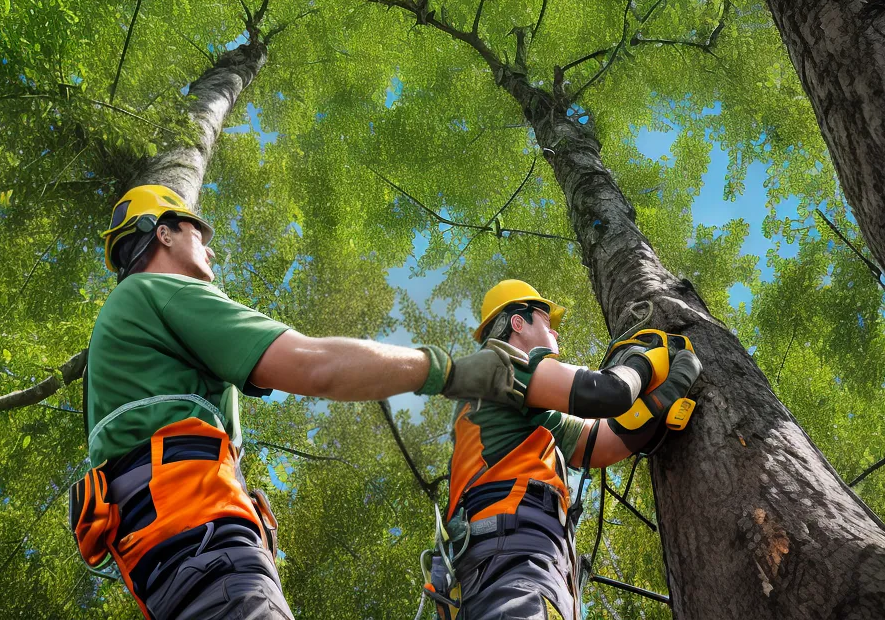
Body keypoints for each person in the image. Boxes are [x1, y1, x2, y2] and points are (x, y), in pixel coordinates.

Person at [69, 185, 525, 620]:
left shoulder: (125, 331)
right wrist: (452, 372)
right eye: (197, 233)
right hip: (202, 545)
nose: (211, 249)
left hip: (173, 554)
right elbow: (315, 365)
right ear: (164, 233)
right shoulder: (155, 293)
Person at [429, 279, 702, 620]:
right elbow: (609, 392)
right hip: (510, 552)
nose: (556, 334)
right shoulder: (500, 365)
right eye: (547, 323)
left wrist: (667, 392)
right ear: (518, 322)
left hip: (530, 558)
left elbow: (600, 443)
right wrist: (642, 361)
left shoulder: (530, 415)